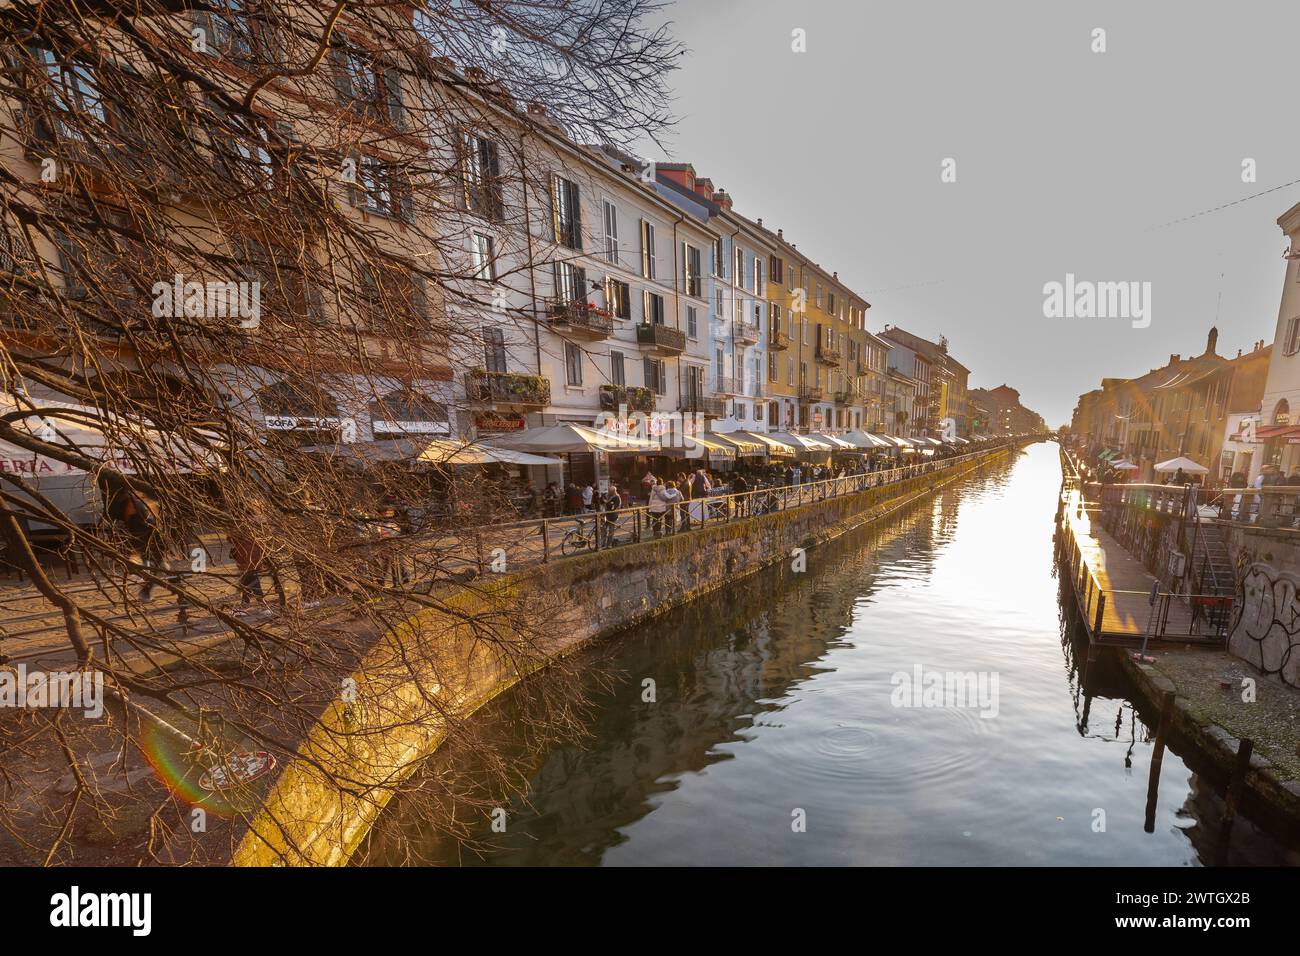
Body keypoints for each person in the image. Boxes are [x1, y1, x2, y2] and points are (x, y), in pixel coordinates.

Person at [228, 528, 267, 607]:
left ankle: (258, 603)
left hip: (249, 567)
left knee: (253, 585)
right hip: (252, 567)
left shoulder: (244, 544)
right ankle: (246, 603)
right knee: (248, 585)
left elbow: (233, 553)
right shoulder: (251, 542)